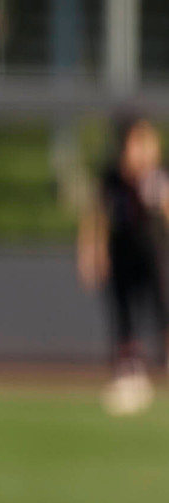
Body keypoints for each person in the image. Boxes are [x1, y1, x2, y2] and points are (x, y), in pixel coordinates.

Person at [78, 115, 169, 415]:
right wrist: (92, 253)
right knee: (124, 313)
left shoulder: (156, 175)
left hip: (153, 253)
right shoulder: (112, 177)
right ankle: (130, 371)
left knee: (162, 307)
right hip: (122, 253)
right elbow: (97, 216)